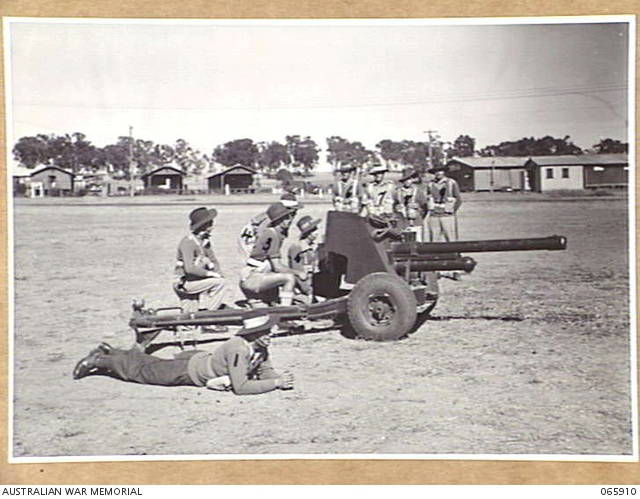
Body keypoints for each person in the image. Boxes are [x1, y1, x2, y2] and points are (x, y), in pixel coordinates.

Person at [72, 312, 295, 395]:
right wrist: (275, 384)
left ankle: (112, 352)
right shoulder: (239, 348)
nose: (270, 335)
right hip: (188, 371)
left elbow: (266, 371)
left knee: (152, 363)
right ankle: (101, 360)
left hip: (197, 362)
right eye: (265, 331)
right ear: (253, 333)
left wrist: (276, 379)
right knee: (143, 372)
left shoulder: (259, 346)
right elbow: (242, 387)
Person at [239, 202, 307, 307]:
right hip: (254, 278)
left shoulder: (270, 232)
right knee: (289, 278)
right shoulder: (272, 234)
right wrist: (298, 273)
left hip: (251, 276)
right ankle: (286, 311)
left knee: (265, 312)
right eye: (286, 217)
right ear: (279, 220)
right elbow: (277, 267)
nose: (290, 220)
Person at [173, 207, 227, 313]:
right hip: (184, 283)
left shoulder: (204, 241)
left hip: (194, 281)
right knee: (220, 283)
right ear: (204, 226)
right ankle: (210, 320)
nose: (212, 226)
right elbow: (189, 269)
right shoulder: (188, 243)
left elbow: (213, 260)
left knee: (189, 322)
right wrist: (210, 274)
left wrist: (218, 272)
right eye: (210, 224)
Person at [425, 164, 463, 280]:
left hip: (447, 216)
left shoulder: (451, 183)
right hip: (434, 217)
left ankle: (455, 269)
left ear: (444, 172)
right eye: (436, 171)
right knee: (434, 243)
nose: (438, 173)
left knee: (451, 242)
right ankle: (435, 270)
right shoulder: (430, 185)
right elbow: (427, 199)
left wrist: (451, 211)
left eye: (440, 171)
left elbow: (459, 200)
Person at [237, 193, 303, 258]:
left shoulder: (274, 215)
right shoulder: (271, 220)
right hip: (250, 243)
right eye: (293, 211)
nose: (295, 214)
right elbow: (262, 237)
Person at [287, 215, 321, 303]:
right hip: (301, 290)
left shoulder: (312, 248)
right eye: (313, 230)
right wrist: (309, 292)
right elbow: (298, 273)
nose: (317, 232)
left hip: (312, 287)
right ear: (307, 233)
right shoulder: (297, 248)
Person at [394, 167, 428, 241]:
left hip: (416, 222)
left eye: (409, 179)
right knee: (404, 243)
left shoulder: (418, 192)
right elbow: (393, 207)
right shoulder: (397, 192)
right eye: (405, 180)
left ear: (412, 180)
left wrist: (418, 208)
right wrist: (397, 209)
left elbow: (425, 208)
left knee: (418, 242)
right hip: (402, 223)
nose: (407, 181)